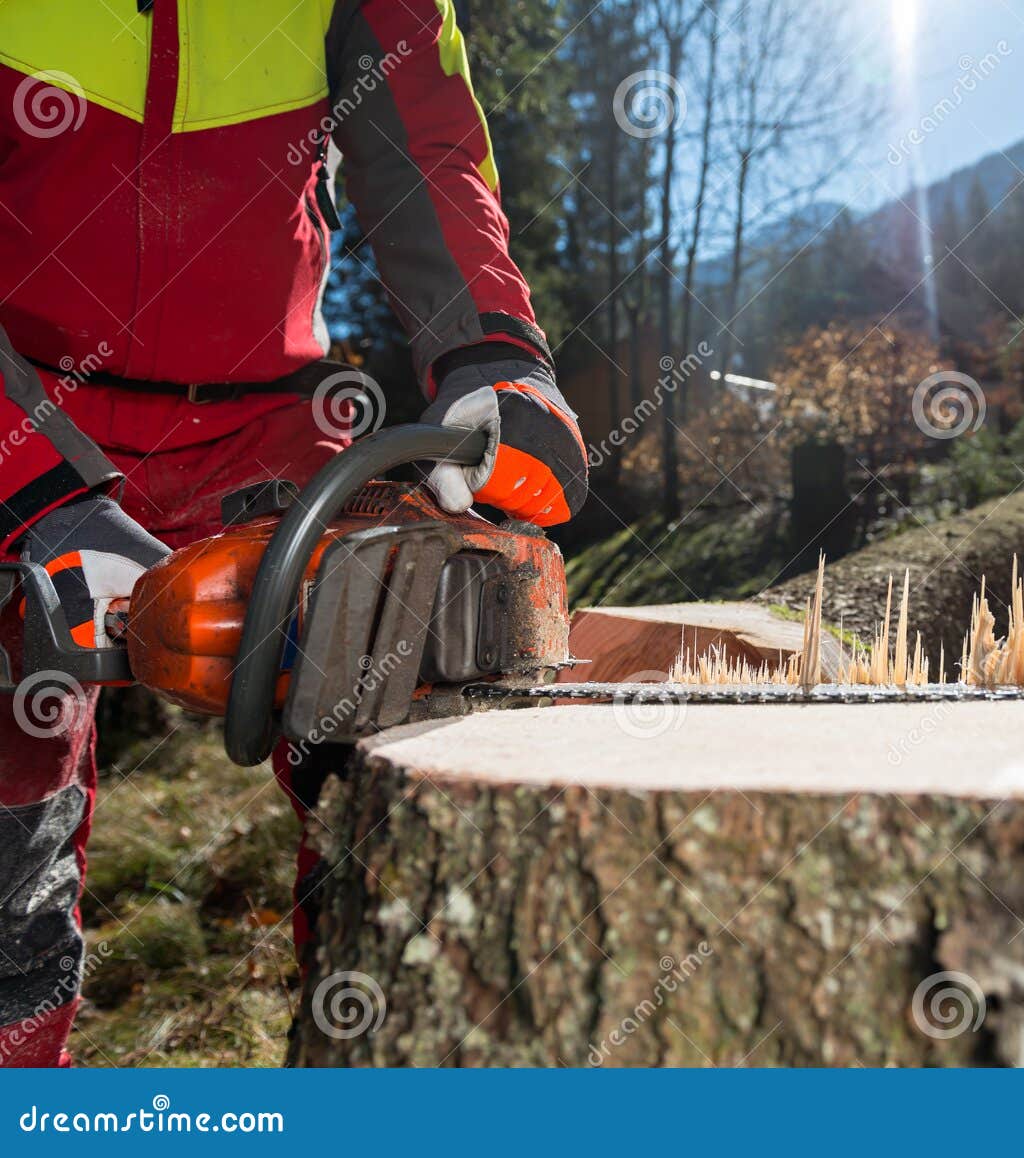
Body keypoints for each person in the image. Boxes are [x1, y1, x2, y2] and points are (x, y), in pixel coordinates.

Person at [0, 0, 586, 1066]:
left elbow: (430, 144)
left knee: (404, 715)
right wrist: (27, 491)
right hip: (23, 402)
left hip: (268, 421)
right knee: (6, 825)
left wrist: (494, 352)